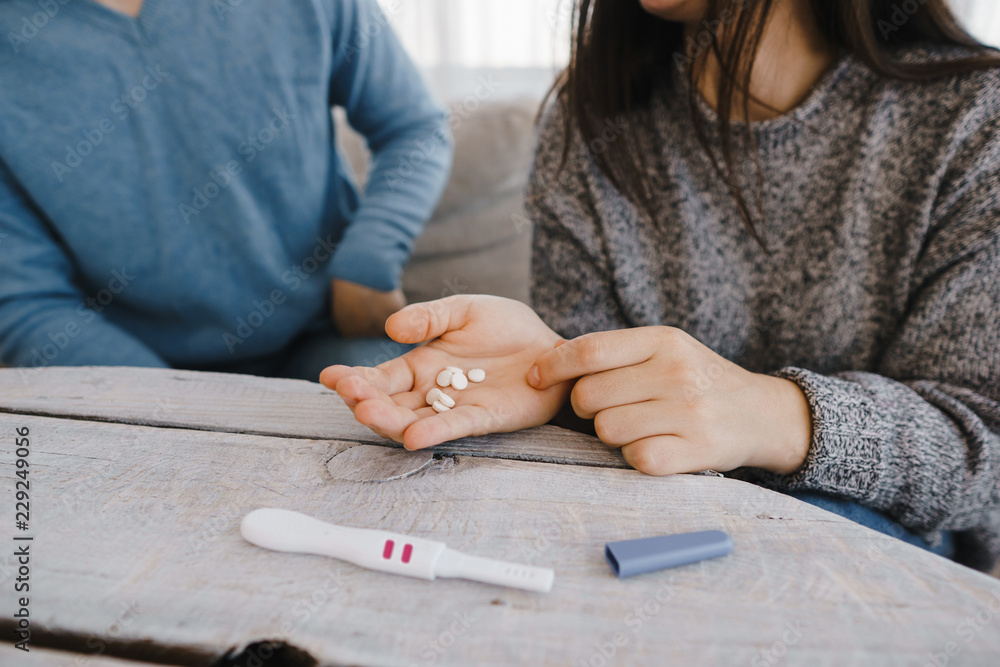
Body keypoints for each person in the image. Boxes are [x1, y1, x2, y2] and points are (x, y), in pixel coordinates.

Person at [322, 0, 999, 572]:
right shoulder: (593, 116)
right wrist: (549, 369)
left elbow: (985, 456)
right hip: (637, 528)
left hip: (876, 557)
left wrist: (773, 414)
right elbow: (600, 430)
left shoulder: (975, 117)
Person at [0, 0, 452, 380]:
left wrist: (369, 260)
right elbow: (27, 303)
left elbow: (413, 127)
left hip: (328, 336)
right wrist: (170, 412)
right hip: (134, 367)